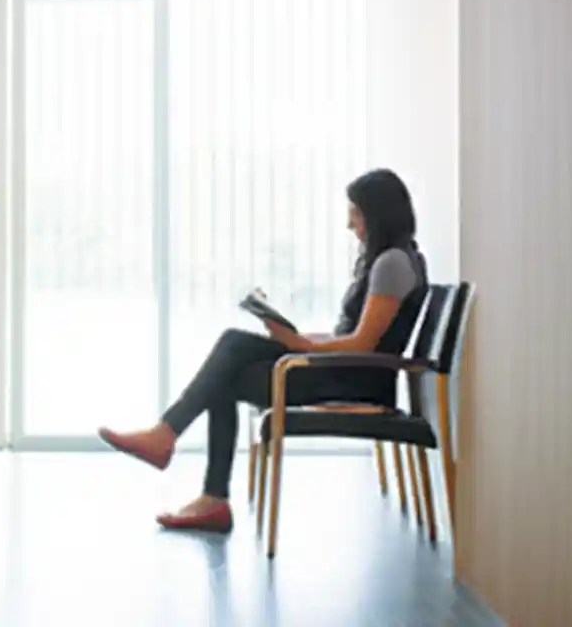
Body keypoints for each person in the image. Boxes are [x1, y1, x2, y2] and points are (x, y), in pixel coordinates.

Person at [98, 168, 429, 533]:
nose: (351, 224)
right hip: (342, 372)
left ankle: (189, 467)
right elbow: (353, 336)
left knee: (229, 357)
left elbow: (363, 345)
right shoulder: (392, 260)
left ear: (378, 214)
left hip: (354, 383)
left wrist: (299, 345)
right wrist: (295, 337)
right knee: (230, 357)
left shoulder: (393, 264)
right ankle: (186, 465)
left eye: (357, 213)